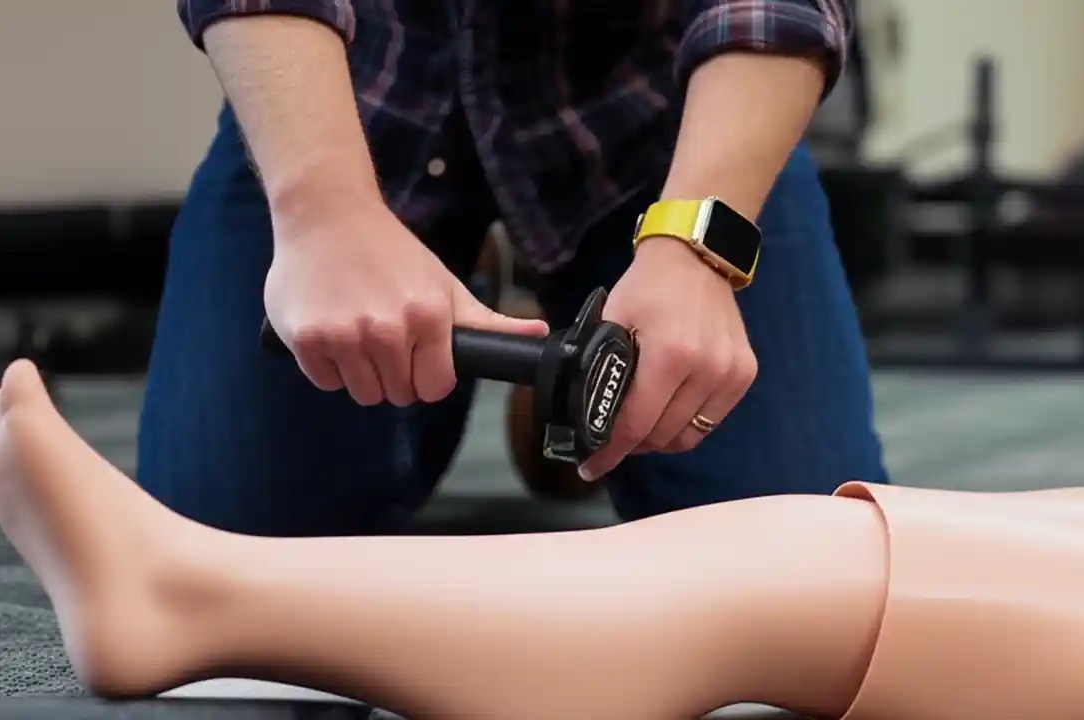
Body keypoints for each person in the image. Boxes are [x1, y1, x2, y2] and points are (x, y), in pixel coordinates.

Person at [0, 359, 1084, 719]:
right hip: (380, 117)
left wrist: (698, 229)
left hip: (659, 129)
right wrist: (322, 199)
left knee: (824, 561)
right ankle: (197, 579)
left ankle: (192, 591)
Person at [138, 0, 888, 536]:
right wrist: (322, 211)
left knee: (809, 548)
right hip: (348, 109)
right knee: (225, 537)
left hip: (655, 131)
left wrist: (695, 251)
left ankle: (550, 371)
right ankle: (485, 285)